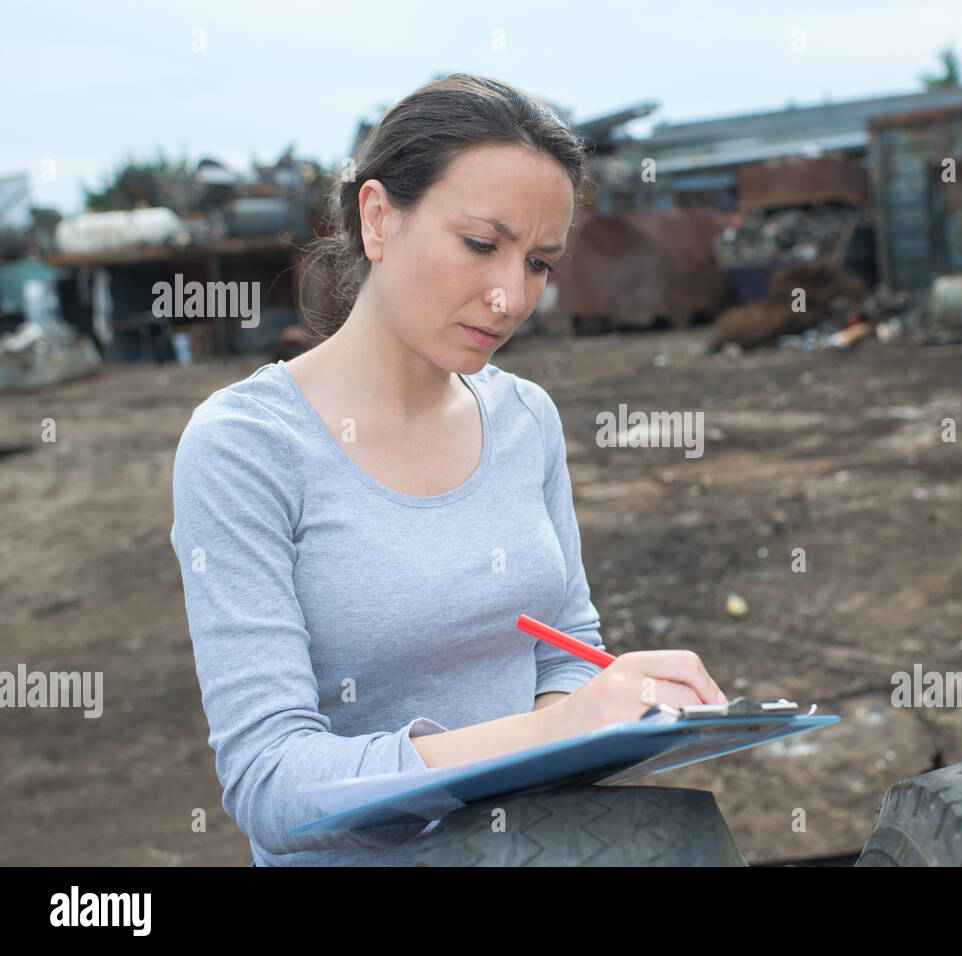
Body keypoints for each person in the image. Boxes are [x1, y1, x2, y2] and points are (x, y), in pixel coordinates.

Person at [169, 74, 726, 866]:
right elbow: (272, 785)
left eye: (539, 262)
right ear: (377, 219)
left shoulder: (524, 417)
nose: (510, 297)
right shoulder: (245, 446)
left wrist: (604, 710)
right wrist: (544, 735)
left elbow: (566, 648)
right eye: (480, 245)